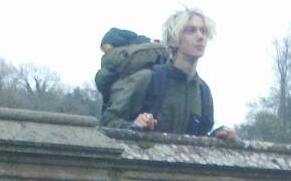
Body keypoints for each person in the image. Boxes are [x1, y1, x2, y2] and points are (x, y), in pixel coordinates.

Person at [100, 8, 237, 141]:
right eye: (191, 31)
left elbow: (198, 142)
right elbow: (107, 122)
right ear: (173, 40)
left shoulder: (203, 92)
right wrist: (134, 126)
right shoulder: (147, 79)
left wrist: (218, 137)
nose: (200, 37)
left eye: (203, 31)